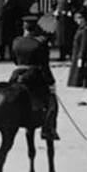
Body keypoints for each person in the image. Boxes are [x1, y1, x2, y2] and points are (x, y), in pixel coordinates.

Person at [10, 15, 58, 143]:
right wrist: (51, 82)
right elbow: (44, 66)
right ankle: (48, 129)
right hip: (33, 76)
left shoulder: (16, 41)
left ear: (24, 27)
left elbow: (14, 60)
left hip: (16, 74)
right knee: (52, 102)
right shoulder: (40, 43)